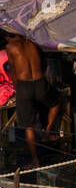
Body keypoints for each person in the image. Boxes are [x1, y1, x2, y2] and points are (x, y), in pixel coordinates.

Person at [3, 31, 61, 168]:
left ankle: (35, 160)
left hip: (24, 85)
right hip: (40, 82)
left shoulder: (10, 46)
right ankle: (47, 131)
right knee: (56, 102)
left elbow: (13, 70)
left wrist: (18, 89)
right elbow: (43, 62)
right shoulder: (32, 42)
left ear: (7, 37)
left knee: (29, 126)